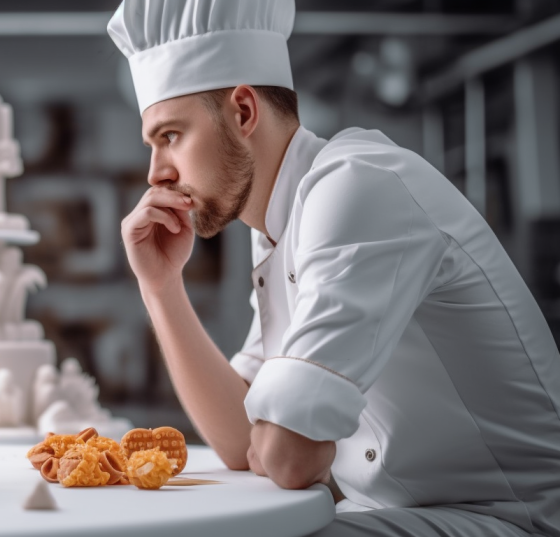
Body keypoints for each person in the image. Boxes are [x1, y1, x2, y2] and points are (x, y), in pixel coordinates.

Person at [108, 1, 560, 535]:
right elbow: (240, 438)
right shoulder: (277, 228)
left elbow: (289, 458)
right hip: (401, 511)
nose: (156, 174)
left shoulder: (355, 185)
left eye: (169, 136)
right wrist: (160, 287)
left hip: (510, 517)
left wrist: (280, 440)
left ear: (244, 112)